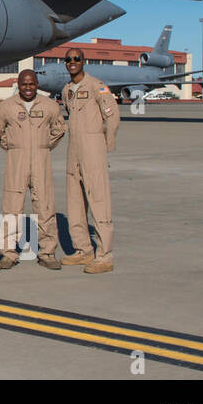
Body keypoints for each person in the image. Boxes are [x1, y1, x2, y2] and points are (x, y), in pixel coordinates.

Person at [0, 69, 66, 269]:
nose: (28, 88)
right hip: (16, 159)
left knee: (45, 206)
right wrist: (12, 145)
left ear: (37, 84)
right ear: (18, 84)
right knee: (12, 207)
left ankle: (47, 252)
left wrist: (44, 145)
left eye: (31, 84)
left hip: (41, 159)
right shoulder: (7, 106)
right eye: (24, 84)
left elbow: (59, 129)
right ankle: (8, 253)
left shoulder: (50, 106)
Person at [59, 49, 120, 273]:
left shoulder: (97, 86)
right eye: (68, 60)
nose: (72, 62)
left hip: (93, 146)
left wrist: (106, 144)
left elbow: (112, 115)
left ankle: (105, 256)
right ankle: (83, 250)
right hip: (73, 148)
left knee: (98, 201)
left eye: (76, 59)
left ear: (83, 62)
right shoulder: (67, 90)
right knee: (75, 201)